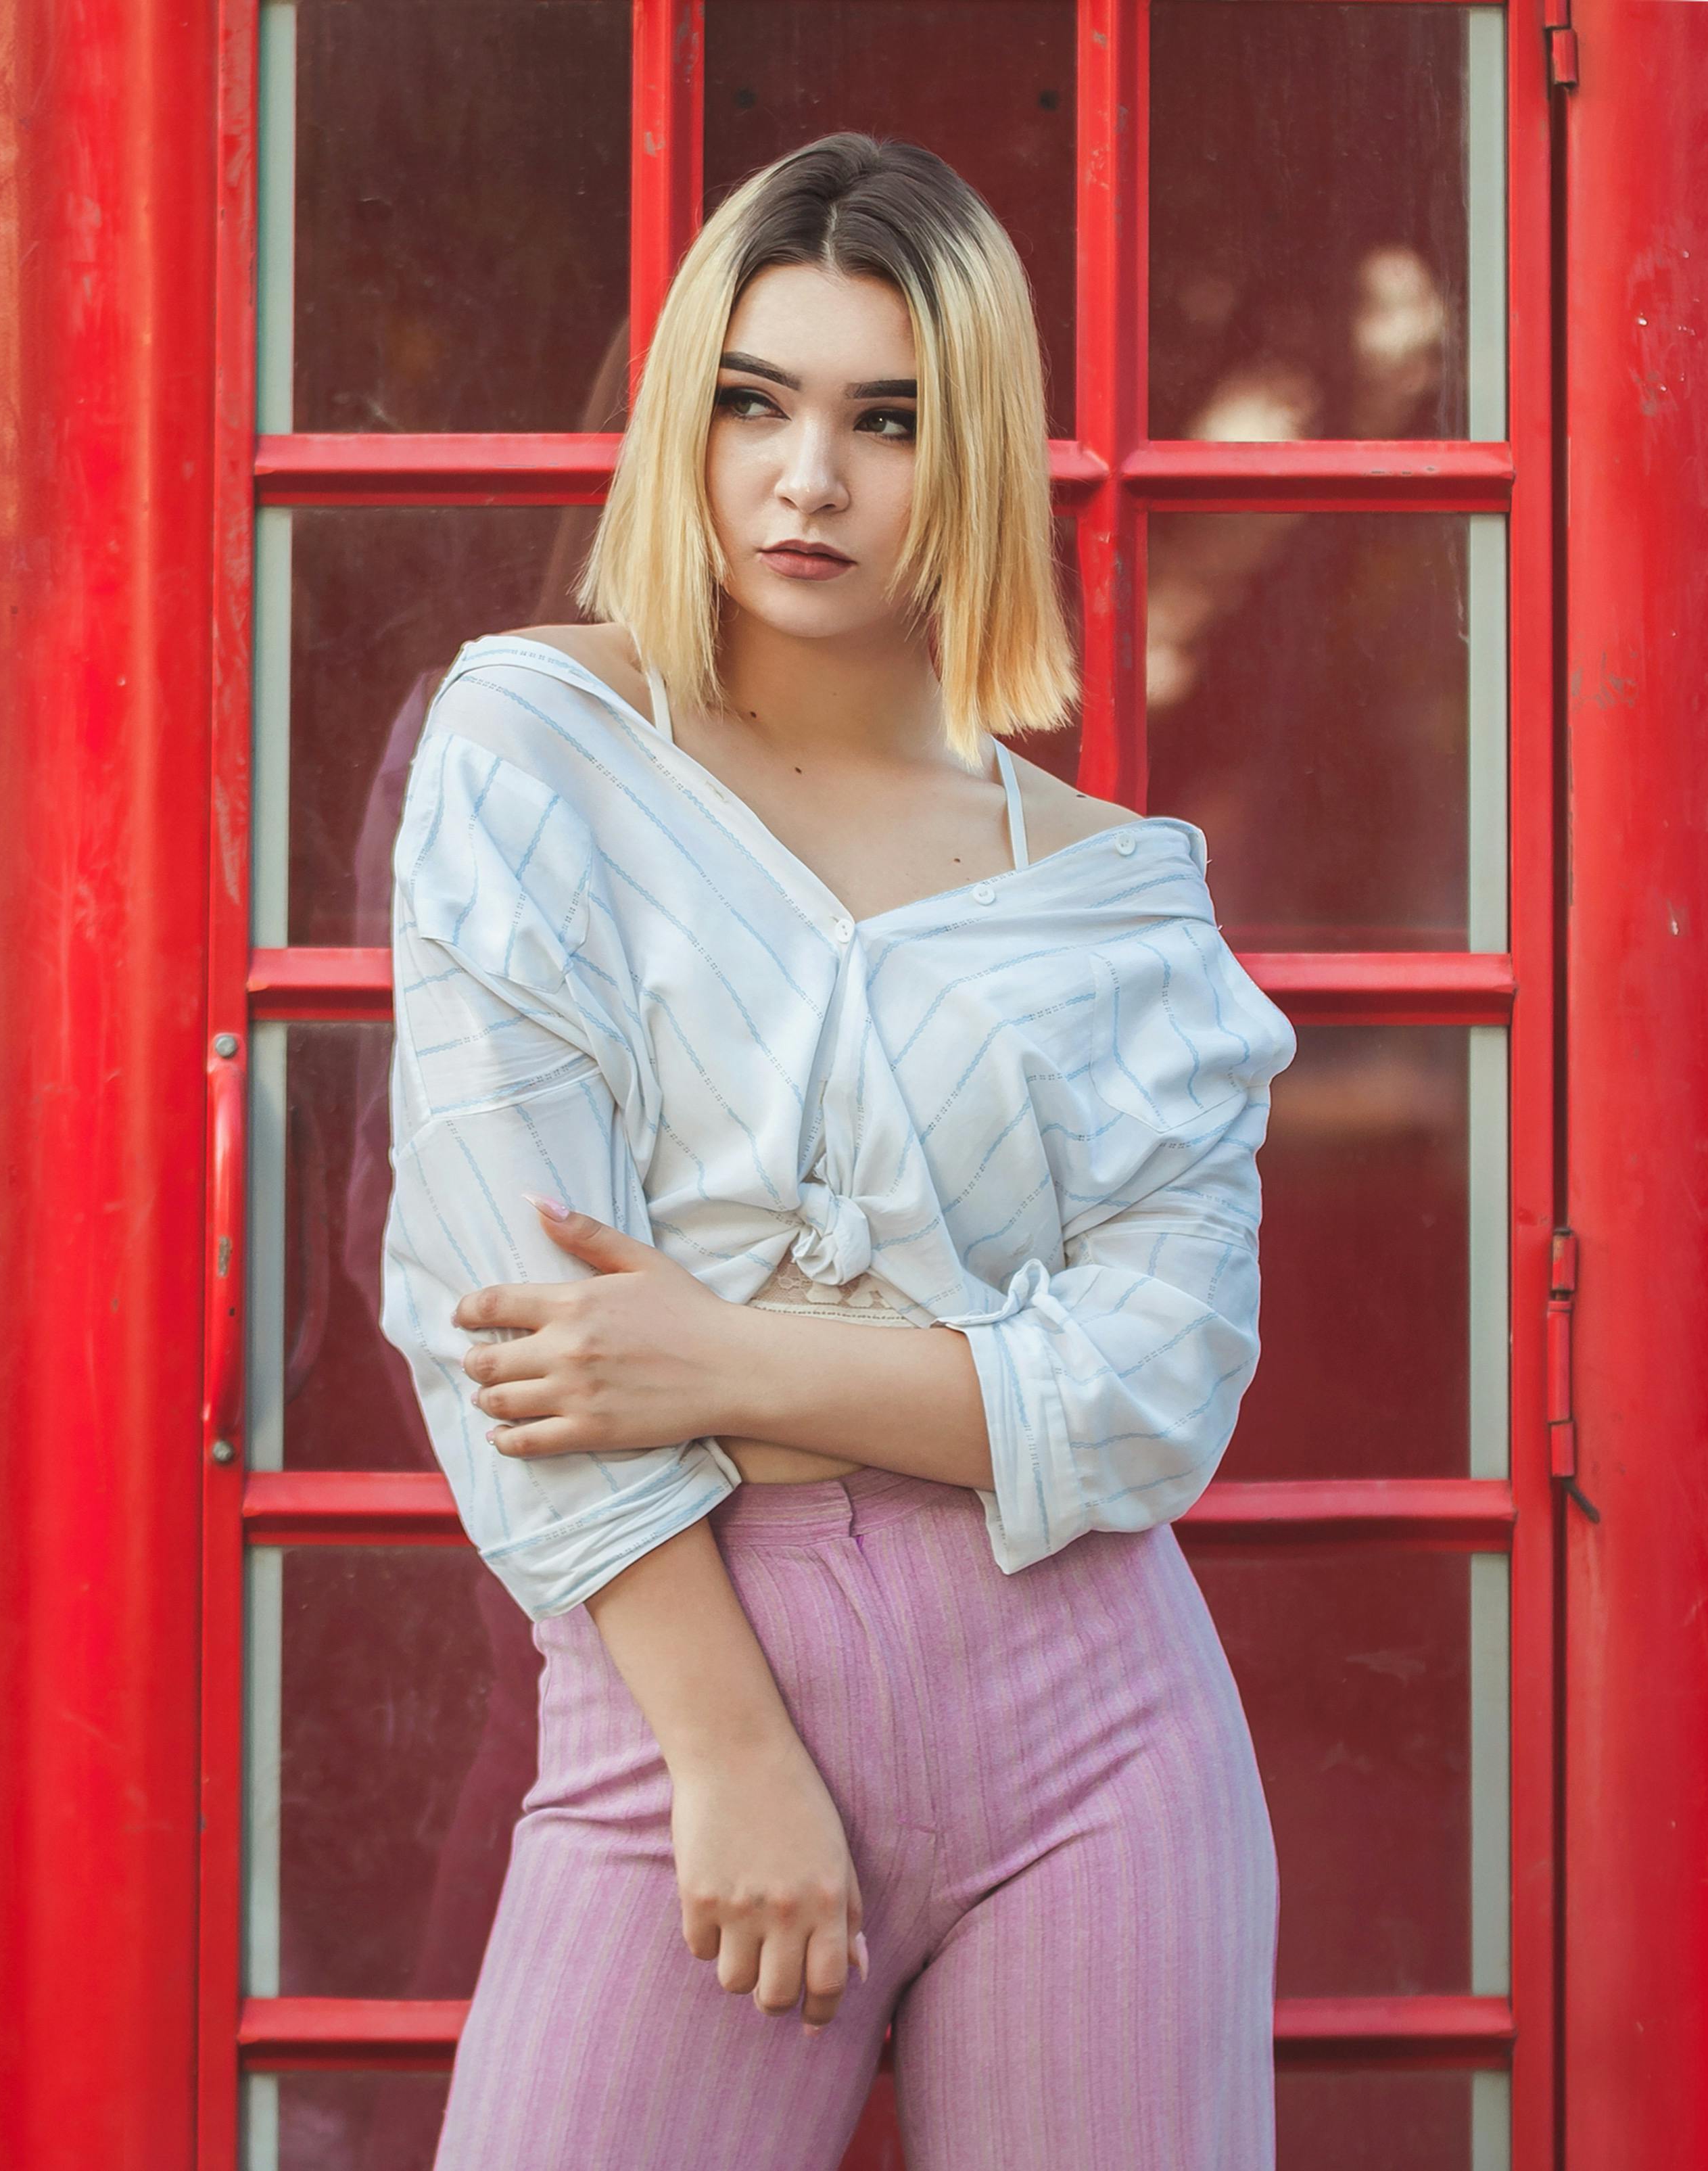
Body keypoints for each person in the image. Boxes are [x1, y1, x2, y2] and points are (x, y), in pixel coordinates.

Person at [377, 132, 1297, 2171]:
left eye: (887, 421)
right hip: (680, 1682)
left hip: (1093, 1726)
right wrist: (726, 1751)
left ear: (972, 458)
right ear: (685, 422)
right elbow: (505, 1299)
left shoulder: (1120, 896)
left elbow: (1156, 1386)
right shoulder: (536, 745)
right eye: (755, 403)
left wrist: (722, 1356)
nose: (808, 479)